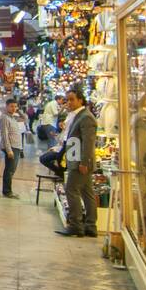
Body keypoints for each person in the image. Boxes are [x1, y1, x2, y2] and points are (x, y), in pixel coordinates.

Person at [55, 87, 98, 237]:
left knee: (71, 190)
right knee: (87, 192)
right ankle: (90, 226)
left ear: (80, 100)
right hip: (77, 159)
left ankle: (76, 225)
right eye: (67, 100)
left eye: (72, 99)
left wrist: (84, 162)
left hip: (80, 162)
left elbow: (88, 143)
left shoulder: (86, 117)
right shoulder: (77, 115)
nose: (69, 102)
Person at [0, 97, 25, 198]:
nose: (14, 108)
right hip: (11, 147)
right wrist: (9, 150)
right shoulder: (4, 118)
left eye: (15, 106)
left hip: (16, 146)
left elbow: (25, 118)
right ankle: (7, 191)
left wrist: (19, 111)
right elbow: (4, 135)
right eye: (11, 106)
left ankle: (7, 190)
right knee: (9, 170)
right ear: (6, 107)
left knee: (11, 170)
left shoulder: (13, 117)